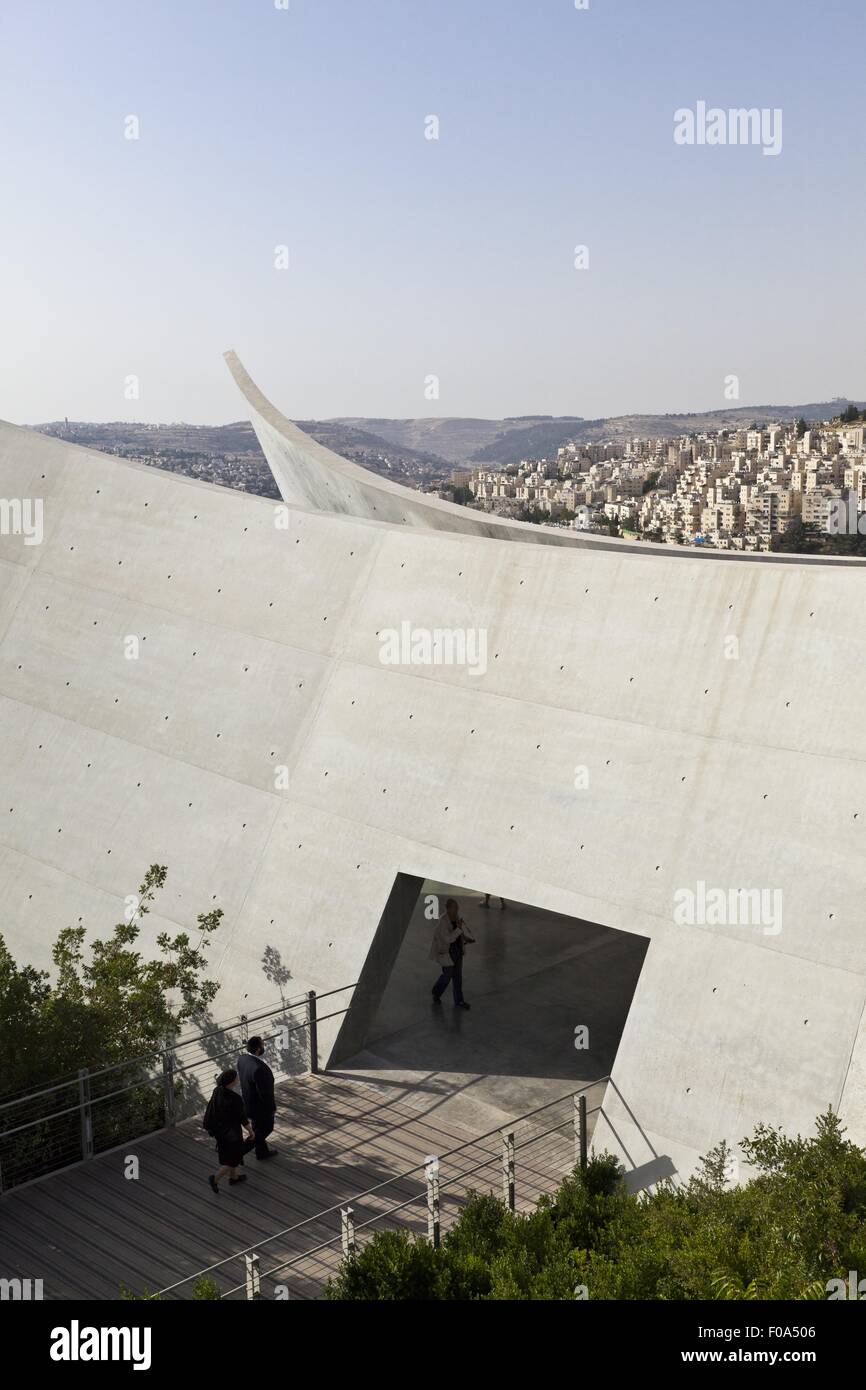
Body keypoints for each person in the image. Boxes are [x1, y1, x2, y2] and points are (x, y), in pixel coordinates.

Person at [203, 1069, 252, 1193]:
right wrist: (251, 1131)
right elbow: (242, 1118)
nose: (238, 1079)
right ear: (232, 1081)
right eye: (236, 1078)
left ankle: (234, 1178)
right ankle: (215, 1179)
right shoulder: (235, 1099)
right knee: (234, 1158)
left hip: (219, 1131)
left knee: (229, 1155)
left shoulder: (217, 1091)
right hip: (232, 1133)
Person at [236, 1035, 278, 1159]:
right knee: (266, 1129)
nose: (264, 1047)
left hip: (248, 1103)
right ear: (258, 1049)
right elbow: (265, 1093)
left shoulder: (242, 1059)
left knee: (257, 1128)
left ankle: (262, 1152)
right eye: (263, 1045)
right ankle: (240, 1151)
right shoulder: (259, 1069)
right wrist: (272, 1108)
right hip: (260, 1108)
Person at [430, 897, 475, 1009]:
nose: (457, 910)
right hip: (447, 954)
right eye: (455, 908)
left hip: (457, 951)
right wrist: (459, 928)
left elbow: (459, 933)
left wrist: (465, 938)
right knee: (447, 976)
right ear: (448, 909)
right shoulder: (443, 922)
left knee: (458, 978)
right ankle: (436, 992)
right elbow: (448, 939)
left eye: (457, 908)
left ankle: (459, 1001)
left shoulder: (456, 917)